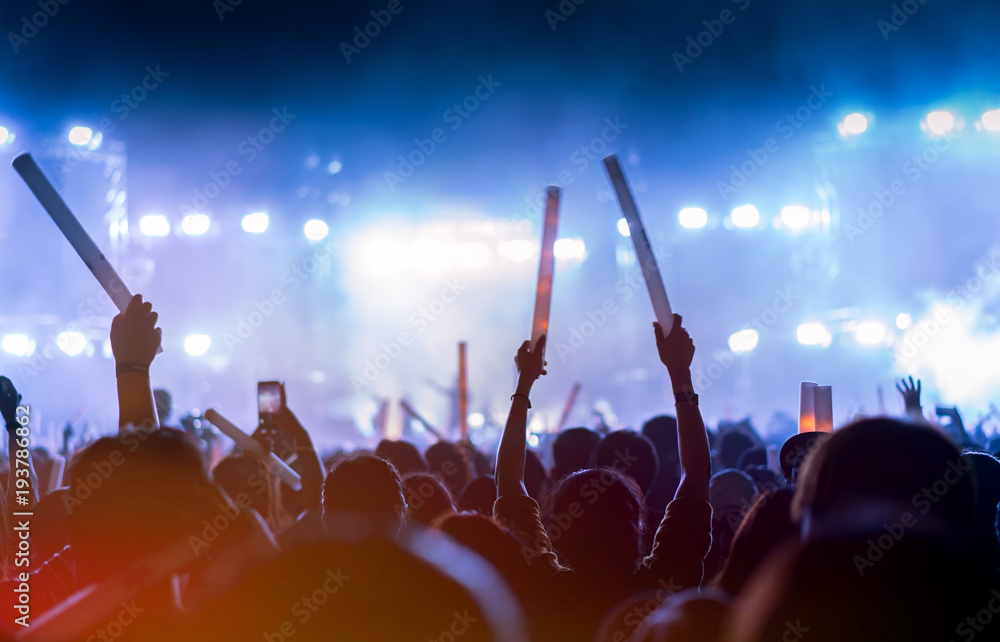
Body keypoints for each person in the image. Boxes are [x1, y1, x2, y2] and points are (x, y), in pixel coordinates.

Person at [494, 314, 713, 638]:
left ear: (560, 530)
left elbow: (508, 484)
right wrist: (680, 372)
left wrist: (524, 383)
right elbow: (696, 477)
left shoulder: (541, 585)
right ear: (636, 527)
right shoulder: (662, 587)